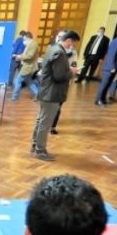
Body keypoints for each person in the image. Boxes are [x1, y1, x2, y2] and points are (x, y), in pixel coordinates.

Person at [31, 31, 80, 161]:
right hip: (52, 93)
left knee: (41, 120)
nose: (73, 46)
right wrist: (72, 72)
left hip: (46, 91)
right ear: (69, 40)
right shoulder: (59, 53)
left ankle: (35, 146)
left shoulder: (53, 49)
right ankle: (40, 151)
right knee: (45, 123)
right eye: (73, 43)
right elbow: (59, 76)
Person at [95, 26, 117, 106]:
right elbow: (111, 55)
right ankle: (98, 100)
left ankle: (103, 99)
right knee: (104, 85)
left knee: (108, 85)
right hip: (111, 68)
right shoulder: (116, 41)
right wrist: (112, 67)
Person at [11, 31, 40, 101]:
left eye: (24, 39)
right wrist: (18, 56)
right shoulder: (31, 44)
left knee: (17, 81)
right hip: (28, 66)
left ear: (28, 38)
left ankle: (14, 98)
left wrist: (19, 57)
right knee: (29, 81)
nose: (24, 41)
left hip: (28, 67)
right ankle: (37, 94)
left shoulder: (33, 45)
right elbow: (26, 54)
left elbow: (29, 56)